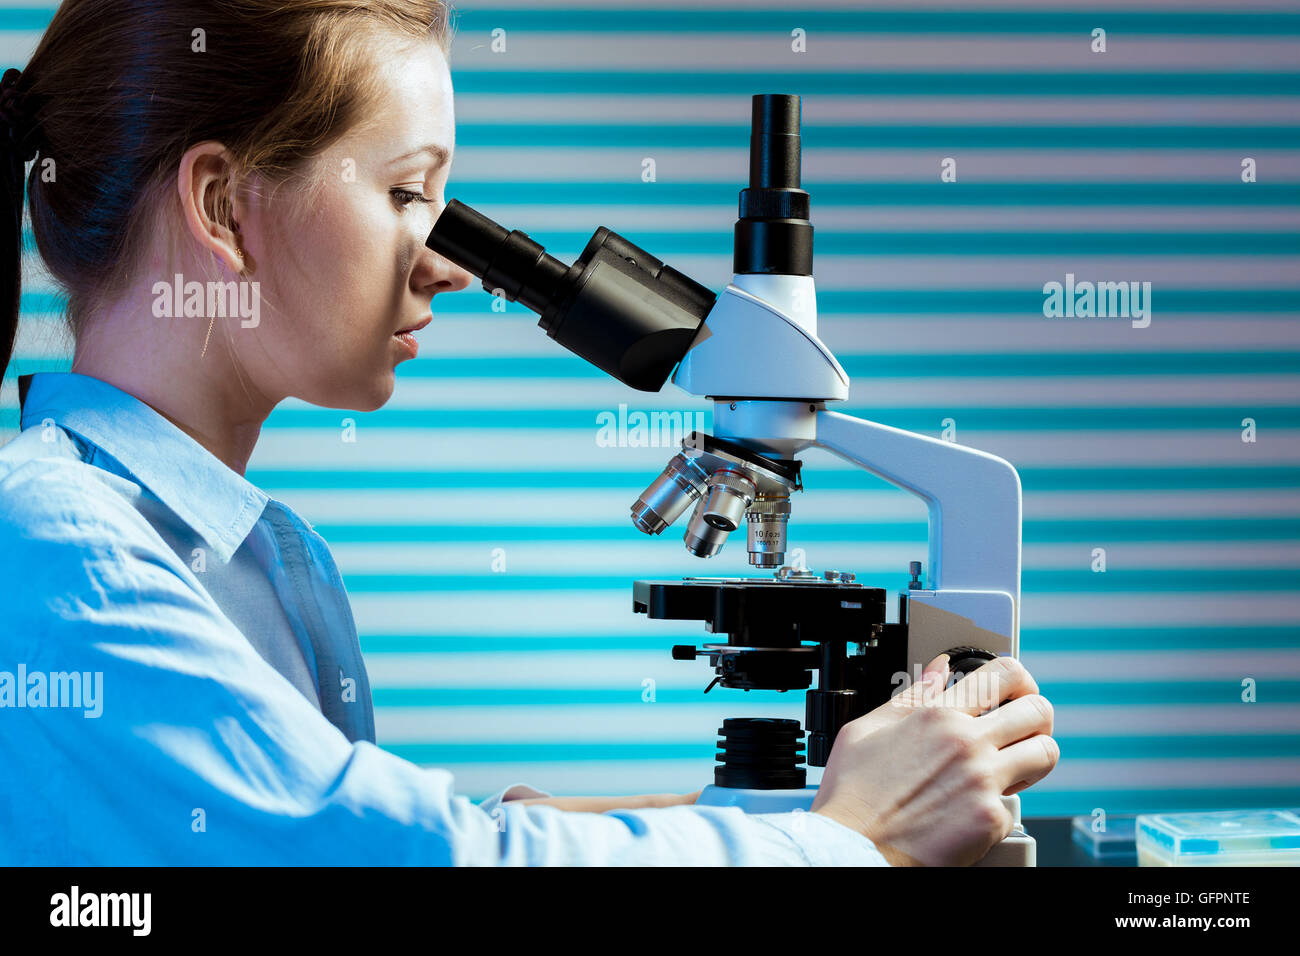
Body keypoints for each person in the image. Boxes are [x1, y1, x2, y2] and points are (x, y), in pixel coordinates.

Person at [0, 0, 1059, 866]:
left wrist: (750, 820)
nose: (451, 263)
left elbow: (333, 835)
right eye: (408, 192)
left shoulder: (257, 557)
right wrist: (846, 839)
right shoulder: (60, 547)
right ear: (225, 207)